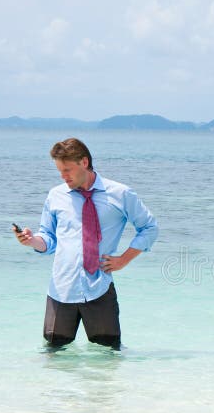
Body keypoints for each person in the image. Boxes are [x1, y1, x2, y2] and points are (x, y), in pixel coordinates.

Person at [14, 138, 158, 350]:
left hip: (99, 288)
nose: (63, 176)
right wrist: (32, 241)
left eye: (67, 170)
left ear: (84, 162)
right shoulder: (56, 196)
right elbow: (49, 239)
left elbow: (149, 227)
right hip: (61, 290)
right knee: (54, 356)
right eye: (60, 171)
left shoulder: (120, 194)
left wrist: (124, 260)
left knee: (108, 356)